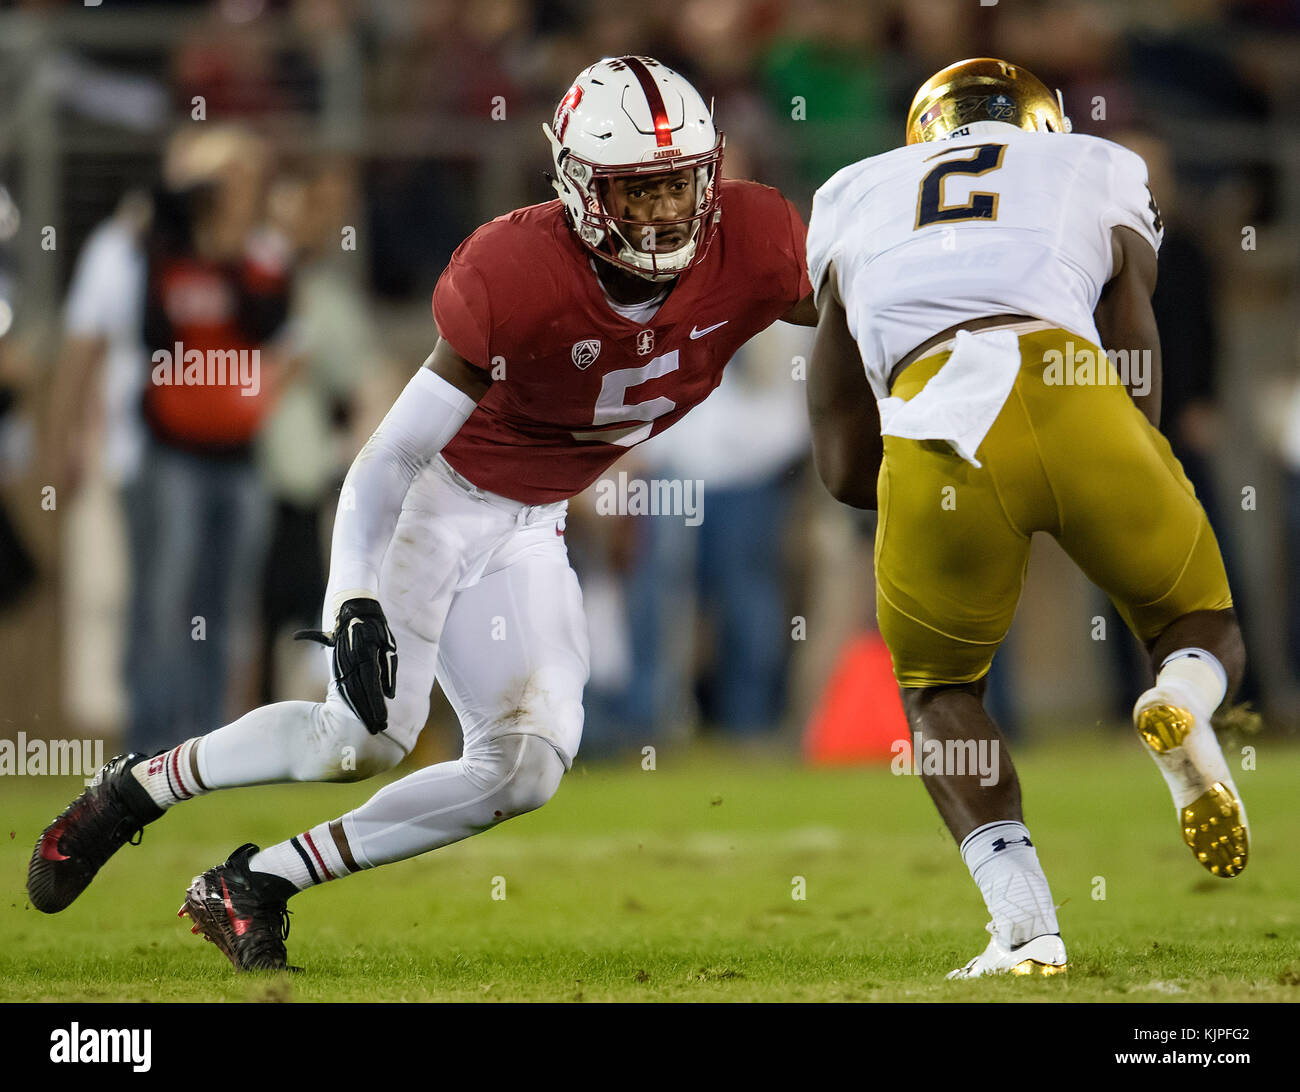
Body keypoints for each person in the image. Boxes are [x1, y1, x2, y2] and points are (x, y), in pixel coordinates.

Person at [29, 55, 815, 971]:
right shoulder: (514, 271)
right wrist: (352, 596)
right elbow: (392, 455)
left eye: (679, 185)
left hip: (534, 519)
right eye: (635, 193)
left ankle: (256, 883)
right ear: (576, 185)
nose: (664, 214)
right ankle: (138, 789)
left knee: (526, 766)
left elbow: (854, 308)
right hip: (436, 505)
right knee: (358, 742)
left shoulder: (757, 239)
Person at [805, 58, 1247, 978]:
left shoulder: (852, 192)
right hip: (1071, 381)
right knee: (1195, 622)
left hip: (931, 413)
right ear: (1040, 125)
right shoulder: (1097, 160)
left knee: (941, 693)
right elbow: (1132, 318)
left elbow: (840, 438)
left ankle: (1026, 927)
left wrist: (900, 490)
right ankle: (1180, 699)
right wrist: (1132, 464)